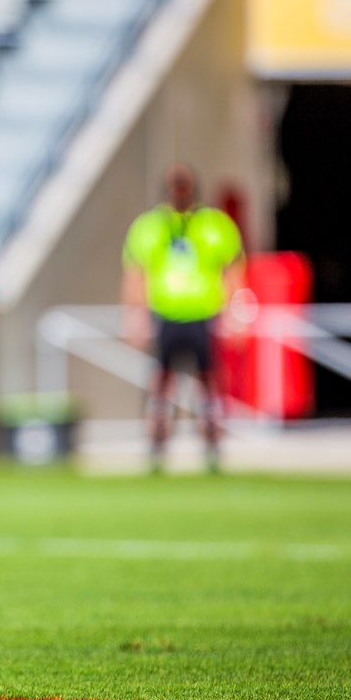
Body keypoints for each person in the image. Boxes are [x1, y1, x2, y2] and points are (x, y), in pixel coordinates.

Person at [121, 163, 245, 473]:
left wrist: (237, 313)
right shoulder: (149, 226)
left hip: (203, 314)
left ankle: (213, 447)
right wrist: (134, 315)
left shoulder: (214, 224)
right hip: (165, 314)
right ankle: (157, 446)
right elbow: (135, 273)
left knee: (209, 382)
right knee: (161, 383)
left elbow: (233, 270)